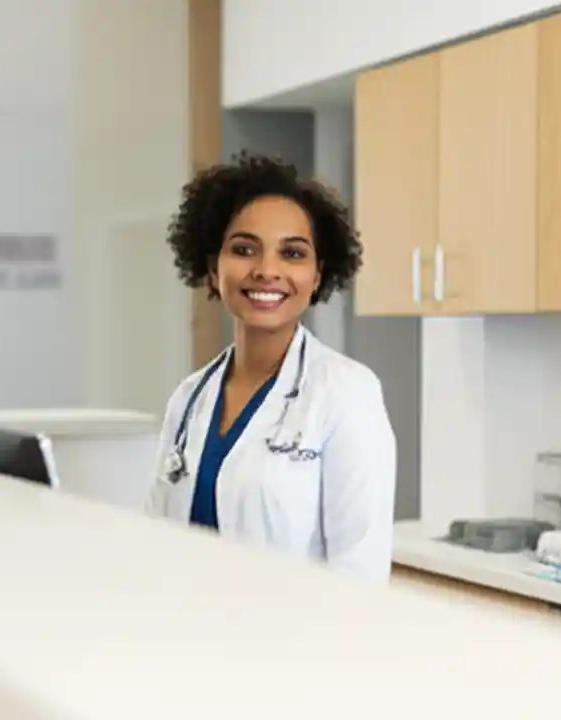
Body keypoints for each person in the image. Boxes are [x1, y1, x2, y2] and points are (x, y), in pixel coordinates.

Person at [145, 152, 397, 581]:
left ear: (317, 276)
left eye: (292, 254)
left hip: (293, 625)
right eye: (244, 249)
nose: (266, 271)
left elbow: (360, 570)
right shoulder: (188, 399)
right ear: (213, 269)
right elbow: (157, 540)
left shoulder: (347, 393)